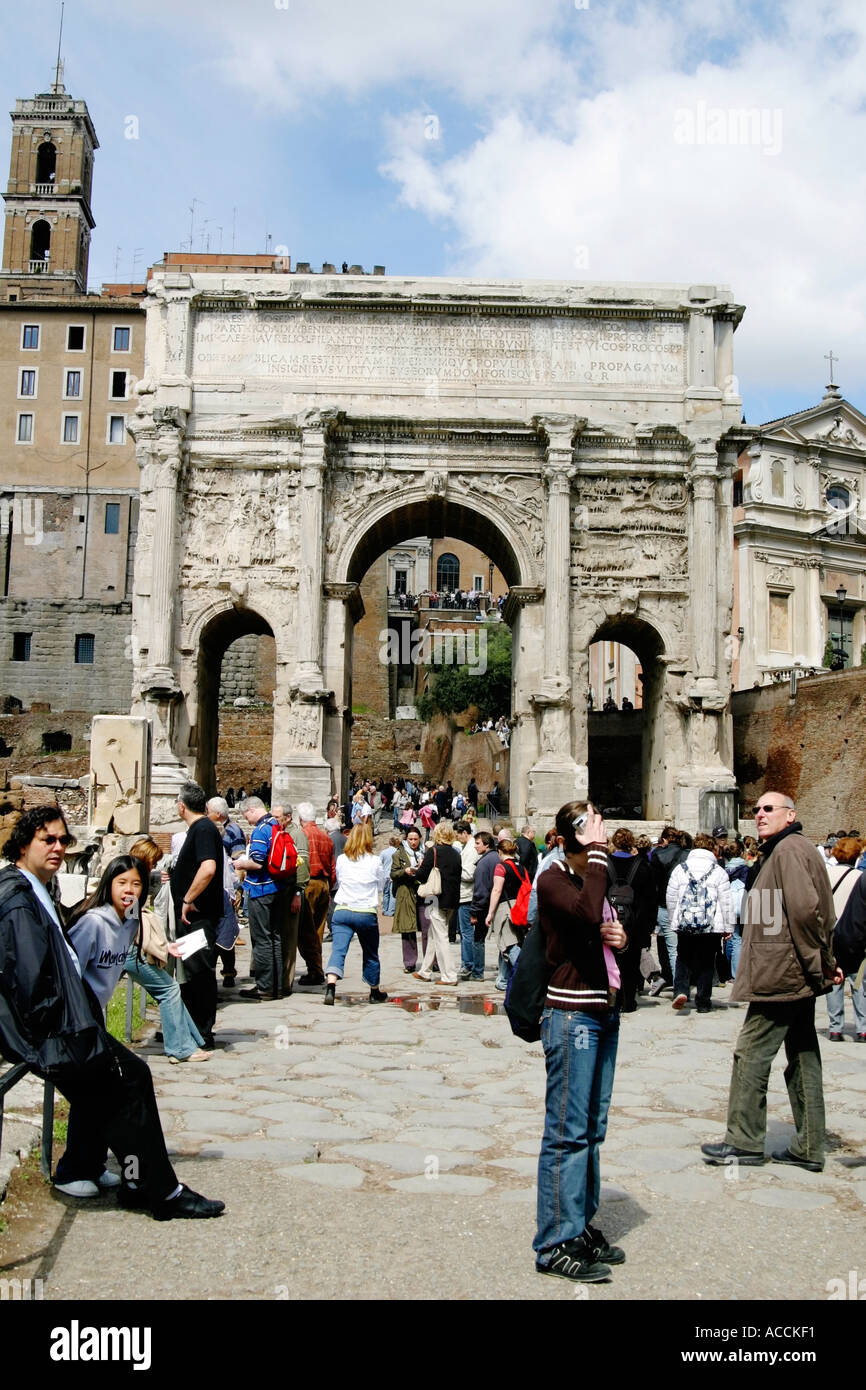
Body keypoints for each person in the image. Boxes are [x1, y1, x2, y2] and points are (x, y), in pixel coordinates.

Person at [0, 807, 223, 1220]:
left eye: (63, 840)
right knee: (127, 1080)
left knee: (118, 1087)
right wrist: (74, 1028)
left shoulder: (36, 888)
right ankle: (162, 1192)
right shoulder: (18, 897)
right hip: (54, 1031)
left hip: (66, 1023)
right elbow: (30, 980)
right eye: (48, 839)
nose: (58, 848)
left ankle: (129, 1177)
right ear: (23, 843)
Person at [702, 791, 840, 1172]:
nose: (760, 814)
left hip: (783, 973)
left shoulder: (790, 851)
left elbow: (805, 912)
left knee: (750, 1052)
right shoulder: (781, 850)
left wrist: (821, 961)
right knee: (803, 1056)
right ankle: (809, 1145)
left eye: (768, 809)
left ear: (790, 814)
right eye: (757, 809)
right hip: (785, 966)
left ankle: (744, 1141)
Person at [534, 801, 628, 1283]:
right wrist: (597, 854)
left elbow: (600, 924)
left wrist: (622, 938)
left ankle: (580, 1223)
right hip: (571, 1014)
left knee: (593, 1127)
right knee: (567, 1131)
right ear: (570, 835)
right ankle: (553, 1242)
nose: (600, 833)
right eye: (590, 827)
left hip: (603, 1011)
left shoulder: (591, 875)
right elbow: (588, 911)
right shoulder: (552, 879)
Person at [123, 836, 210, 1064]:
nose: (154, 867)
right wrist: (162, 947)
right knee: (170, 991)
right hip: (133, 951)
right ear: (145, 859)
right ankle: (180, 1048)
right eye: (153, 862)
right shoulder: (131, 884)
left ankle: (190, 1041)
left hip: (133, 949)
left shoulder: (129, 879)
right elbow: (133, 926)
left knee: (170, 990)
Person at [170, 781, 225, 1047]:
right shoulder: (203, 828)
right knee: (191, 972)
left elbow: (208, 868)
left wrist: (188, 898)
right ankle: (188, 1027)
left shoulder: (202, 829)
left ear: (182, 806)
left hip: (198, 918)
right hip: (195, 919)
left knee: (199, 972)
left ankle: (201, 1032)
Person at [234, 797, 295, 1000]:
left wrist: (241, 864)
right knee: (275, 937)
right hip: (278, 888)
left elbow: (258, 862)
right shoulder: (276, 825)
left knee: (261, 939)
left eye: (246, 816)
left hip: (261, 889)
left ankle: (265, 987)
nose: (247, 820)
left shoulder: (261, 830)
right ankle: (277, 985)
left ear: (251, 810)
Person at [666, 833, 732, 1013]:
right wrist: (728, 926)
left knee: (683, 956)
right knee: (706, 962)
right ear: (712, 849)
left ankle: (680, 990)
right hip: (710, 925)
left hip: (685, 922)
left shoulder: (680, 869)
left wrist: (674, 919)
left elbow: (671, 897)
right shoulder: (718, 871)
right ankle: (703, 1002)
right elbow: (726, 901)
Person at [324, 822, 389, 1005]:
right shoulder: (375, 861)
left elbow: (341, 878)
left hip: (343, 909)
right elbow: (381, 885)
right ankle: (374, 990)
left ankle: (331, 986)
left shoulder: (343, 859)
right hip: (365, 911)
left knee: (338, 949)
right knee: (370, 952)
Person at [822, 836, 865, 1040]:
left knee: (834, 982)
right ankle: (863, 1027)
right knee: (859, 983)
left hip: (830, 935)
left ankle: (835, 1028)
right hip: (855, 935)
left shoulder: (826, 874)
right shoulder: (861, 877)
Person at [413, 823, 462, 986]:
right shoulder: (456, 854)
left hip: (436, 898)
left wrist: (414, 871)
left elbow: (422, 875)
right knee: (435, 935)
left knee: (441, 937)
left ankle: (449, 975)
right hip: (453, 899)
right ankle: (425, 971)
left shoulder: (433, 851)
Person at [485, 838, 530, 991]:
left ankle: (525, 976)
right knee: (508, 943)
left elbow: (497, 890)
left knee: (509, 946)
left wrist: (490, 913)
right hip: (519, 907)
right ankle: (503, 979)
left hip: (505, 908)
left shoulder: (501, 867)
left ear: (500, 851)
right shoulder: (521, 867)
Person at [391, 827, 426, 973]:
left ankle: (432, 961)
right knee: (408, 930)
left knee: (428, 928)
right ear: (406, 840)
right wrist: (404, 871)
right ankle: (410, 963)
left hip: (424, 893)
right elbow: (393, 874)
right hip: (406, 893)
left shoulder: (426, 853)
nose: (413, 842)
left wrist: (423, 867)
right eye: (410, 839)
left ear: (420, 839)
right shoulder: (398, 854)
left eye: (415, 839)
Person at [455, 821, 480, 980]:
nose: (457, 838)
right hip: (465, 894)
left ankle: (468, 964)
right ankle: (468, 962)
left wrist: (456, 870)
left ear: (464, 832)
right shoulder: (468, 847)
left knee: (467, 933)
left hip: (467, 895)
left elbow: (469, 874)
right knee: (466, 932)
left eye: (458, 834)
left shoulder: (471, 849)